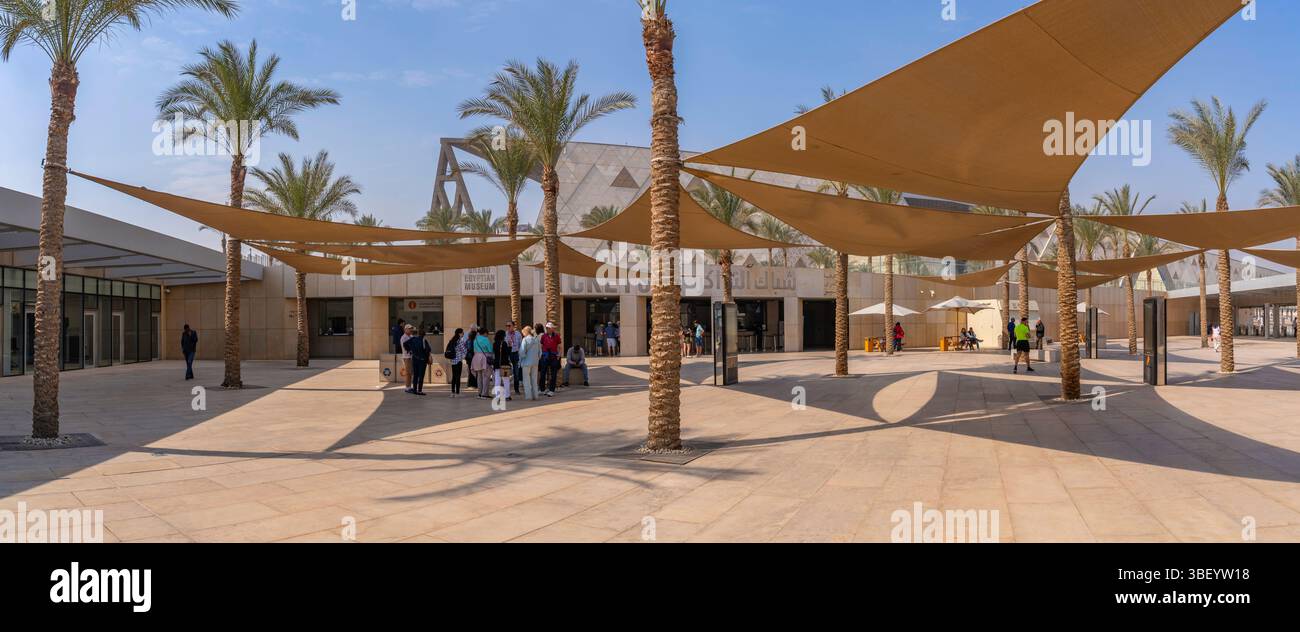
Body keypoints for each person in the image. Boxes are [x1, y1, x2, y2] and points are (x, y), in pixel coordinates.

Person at [404, 329, 431, 396]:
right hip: (422, 360)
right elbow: (427, 351)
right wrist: (427, 359)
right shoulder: (424, 340)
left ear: (418, 334)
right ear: (424, 335)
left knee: (415, 375)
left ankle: (414, 389)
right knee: (421, 376)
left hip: (414, 359)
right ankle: (419, 391)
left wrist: (409, 350)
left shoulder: (413, 339)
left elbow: (405, 344)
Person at [539, 322, 562, 397]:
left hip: (553, 356)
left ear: (552, 329)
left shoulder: (556, 336)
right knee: (543, 373)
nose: (547, 329)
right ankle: (542, 389)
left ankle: (551, 390)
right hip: (545, 356)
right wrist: (540, 355)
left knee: (553, 374)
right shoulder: (544, 336)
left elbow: (559, 346)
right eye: (546, 328)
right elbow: (541, 346)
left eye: (549, 328)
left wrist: (559, 355)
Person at [472, 327, 495, 399]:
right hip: (484, 357)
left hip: (476, 357)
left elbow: (474, 349)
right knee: (486, 376)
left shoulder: (475, 339)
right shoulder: (486, 339)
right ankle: (484, 394)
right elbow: (490, 349)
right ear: (485, 333)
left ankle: (479, 393)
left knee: (479, 376)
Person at [519, 326, 541, 401]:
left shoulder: (525, 340)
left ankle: (528, 396)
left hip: (526, 362)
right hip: (535, 362)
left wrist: (522, 358)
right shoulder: (536, 340)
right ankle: (536, 395)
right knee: (534, 379)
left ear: (525, 332)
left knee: (526, 380)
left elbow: (522, 352)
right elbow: (540, 352)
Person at [445, 328, 465, 398]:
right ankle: (457, 393)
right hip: (458, 360)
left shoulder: (452, 340)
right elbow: (464, 350)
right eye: (462, 333)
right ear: (459, 333)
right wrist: (464, 356)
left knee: (454, 376)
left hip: (453, 361)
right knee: (458, 377)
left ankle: (452, 392)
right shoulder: (460, 341)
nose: (463, 334)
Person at [505, 321, 523, 396]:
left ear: (513, 326)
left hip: (515, 353)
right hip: (508, 354)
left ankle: (516, 389)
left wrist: (519, 354)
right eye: (507, 326)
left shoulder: (518, 334)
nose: (508, 327)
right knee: (506, 373)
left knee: (516, 372)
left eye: (509, 325)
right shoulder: (505, 334)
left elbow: (521, 344)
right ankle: (507, 390)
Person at [400, 324, 415, 392]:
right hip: (407, 357)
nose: (411, 330)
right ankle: (407, 387)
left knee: (411, 372)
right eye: (409, 328)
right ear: (405, 329)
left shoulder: (411, 336)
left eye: (411, 328)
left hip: (412, 356)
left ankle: (409, 386)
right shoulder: (403, 337)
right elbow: (406, 348)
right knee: (408, 372)